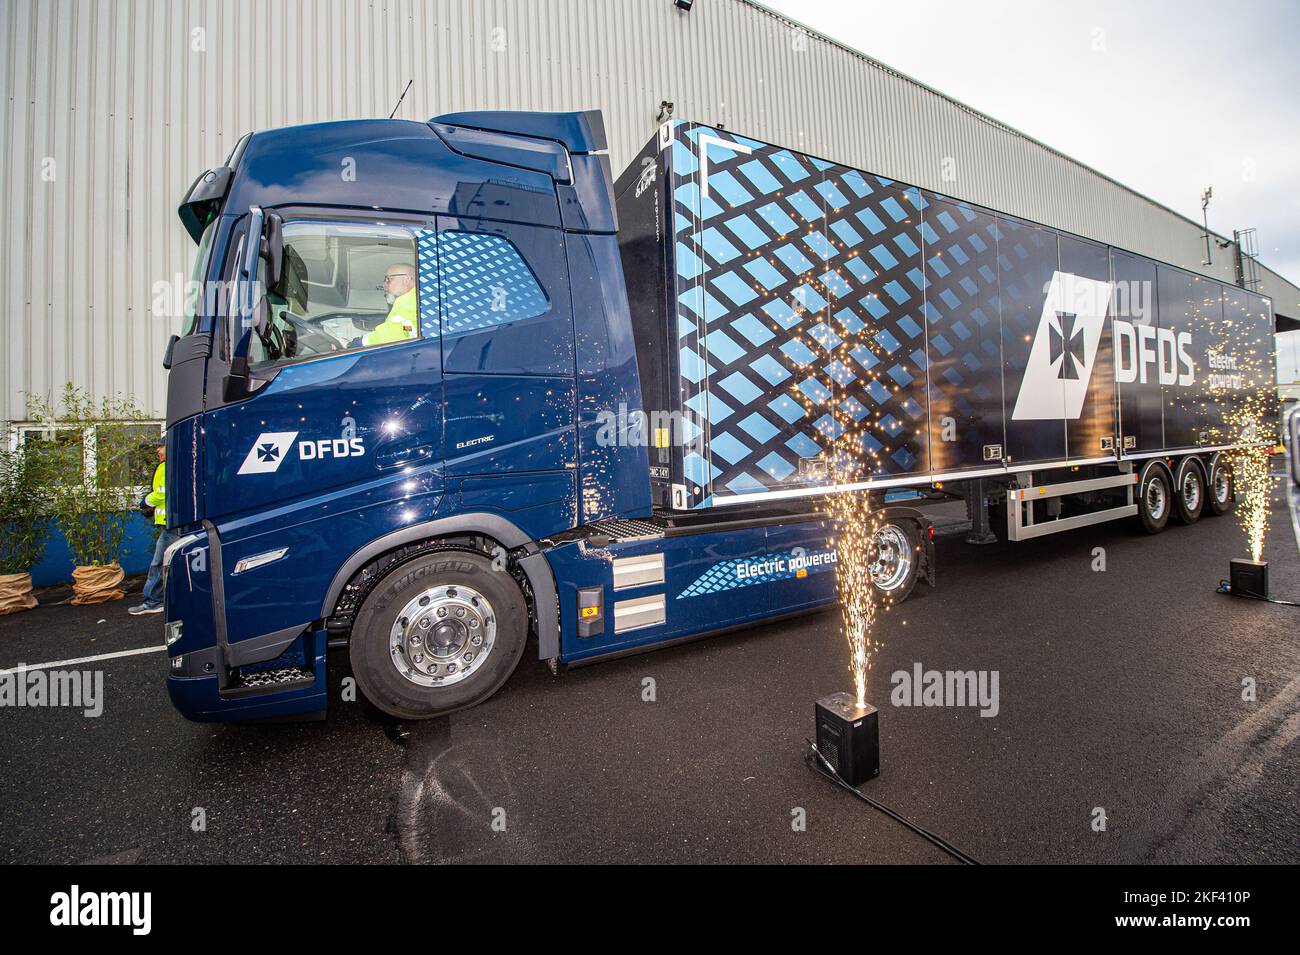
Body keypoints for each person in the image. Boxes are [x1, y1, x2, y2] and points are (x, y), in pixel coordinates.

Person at [128, 441, 174, 616]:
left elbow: (163, 491)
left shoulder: (167, 466)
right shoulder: (173, 465)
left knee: (158, 564)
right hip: (169, 521)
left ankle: (153, 601)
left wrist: (146, 502)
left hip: (170, 524)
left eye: (161, 446)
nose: (157, 449)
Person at [361, 262, 418, 346]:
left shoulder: (409, 300)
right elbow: (407, 329)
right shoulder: (414, 301)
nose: (384, 285)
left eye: (388, 280)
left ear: (406, 280)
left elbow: (396, 330)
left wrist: (360, 343)